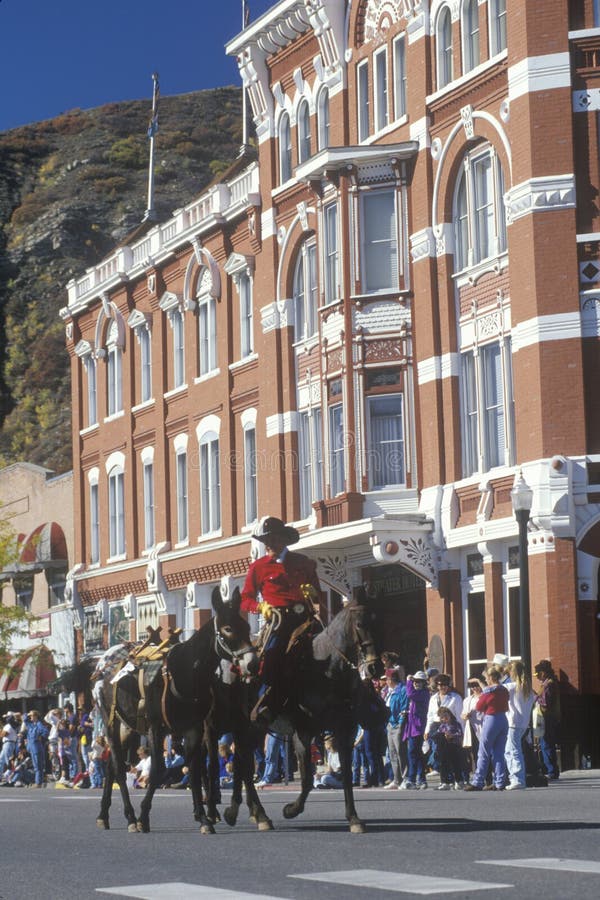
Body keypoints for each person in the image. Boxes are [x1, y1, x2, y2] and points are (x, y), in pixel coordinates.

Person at [241, 516, 322, 724]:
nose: (268, 545)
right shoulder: (258, 567)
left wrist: (312, 593)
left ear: (283, 540)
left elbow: (318, 596)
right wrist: (261, 607)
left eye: (273, 539)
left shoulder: (303, 563)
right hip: (277, 622)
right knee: (270, 657)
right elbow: (245, 600)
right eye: (266, 541)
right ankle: (264, 702)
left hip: (304, 619)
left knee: (332, 647)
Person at [464, 665, 509, 791]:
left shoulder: (489, 691)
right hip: (503, 719)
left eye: (486, 678)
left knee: (483, 751)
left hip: (491, 719)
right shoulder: (503, 689)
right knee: (499, 753)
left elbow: (479, 706)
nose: (486, 681)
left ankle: (478, 781)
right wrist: (480, 683)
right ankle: (500, 781)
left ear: (490, 677)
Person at [504, 660, 535, 790]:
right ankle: (518, 778)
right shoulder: (528, 688)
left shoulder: (511, 687)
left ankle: (517, 778)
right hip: (523, 723)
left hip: (513, 722)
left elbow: (492, 689)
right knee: (512, 750)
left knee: (513, 751)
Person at [424, 674, 463, 775]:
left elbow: (459, 717)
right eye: (440, 685)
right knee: (439, 752)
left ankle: (457, 778)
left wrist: (461, 733)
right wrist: (427, 730)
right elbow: (430, 715)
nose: (442, 687)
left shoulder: (455, 698)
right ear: (437, 686)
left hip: (450, 726)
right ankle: (444, 778)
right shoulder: (433, 698)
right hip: (436, 727)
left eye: (445, 685)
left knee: (452, 753)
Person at [401, 671, 429, 790]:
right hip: (412, 727)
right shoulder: (418, 693)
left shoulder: (423, 693)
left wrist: (408, 681)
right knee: (415, 754)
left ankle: (413, 779)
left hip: (418, 728)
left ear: (424, 683)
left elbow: (410, 694)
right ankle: (420, 779)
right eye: (415, 681)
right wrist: (407, 713)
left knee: (413, 753)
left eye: (419, 682)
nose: (416, 684)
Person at [534, 659, 560, 780]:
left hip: (547, 717)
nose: (537, 677)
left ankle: (551, 771)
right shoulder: (549, 682)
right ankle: (552, 770)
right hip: (550, 717)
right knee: (547, 744)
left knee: (546, 744)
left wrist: (535, 697)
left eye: (538, 674)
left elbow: (545, 702)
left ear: (543, 672)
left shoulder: (548, 684)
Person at [383, 669, 408, 789]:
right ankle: (396, 779)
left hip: (398, 725)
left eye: (387, 679)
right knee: (392, 753)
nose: (385, 682)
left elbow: (404, 707)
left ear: (391, 679)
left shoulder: (402, 690)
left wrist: (400, 723)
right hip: (390, 724)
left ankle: (405, 778)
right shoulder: (389, 691)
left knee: (401, 752)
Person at [436, 707, 465, 790]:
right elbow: (437, 735)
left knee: (456, 764)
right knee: (444, 764)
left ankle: (459, 781)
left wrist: (452, 735)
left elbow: (460, 734)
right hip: (445, 748)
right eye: (442, 717)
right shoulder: (442, 726)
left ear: (450, 715)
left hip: (454, 746)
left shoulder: (456, 724)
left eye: (446, 716)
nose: (444, 718)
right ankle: (445, 782)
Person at [22, 710, 48, 787]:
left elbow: (45, 731)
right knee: (36, 766)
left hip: (37, 748)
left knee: (38, 766)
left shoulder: (38, 724)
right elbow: (24, 718)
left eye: (32, 716)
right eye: (30, 716)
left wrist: (41, 737)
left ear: (36, 716)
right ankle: (39, 782)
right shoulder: (31, 725)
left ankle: (38, 783)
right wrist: (29, 713)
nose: (30, 717)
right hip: (32, 748)